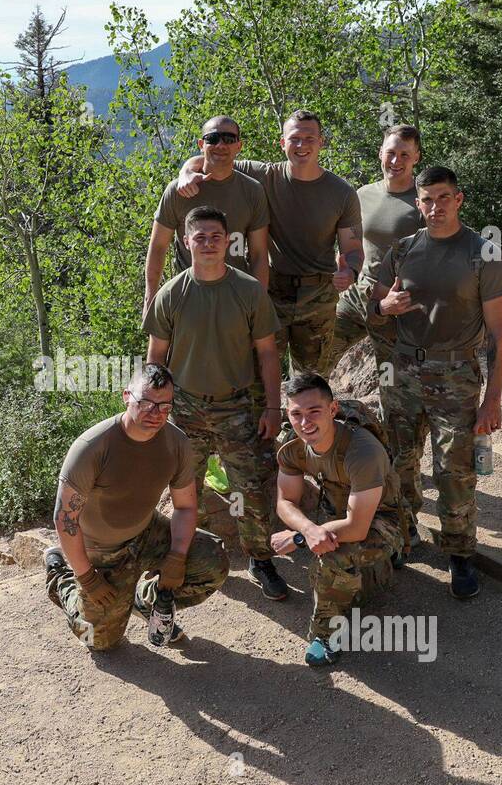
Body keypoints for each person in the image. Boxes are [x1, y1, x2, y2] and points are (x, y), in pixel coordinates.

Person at [368, 166, 502, 598]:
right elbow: (374, 303)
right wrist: (385, 307)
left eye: (444, 197)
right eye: (427, 199)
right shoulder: (404, 249)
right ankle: (404, 535)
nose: (436, 207)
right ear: (418, 203)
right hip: (403, 373)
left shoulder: (483, 254)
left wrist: (492, 401)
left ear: (459, 199)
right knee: (398, 463)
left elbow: (500, 335)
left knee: (454, 470)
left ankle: (460, 553)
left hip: (455, 375)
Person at [144, 205, 290, 600]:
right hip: (185, 408)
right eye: (200, 237)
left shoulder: (248, 291)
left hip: (237, 406)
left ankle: (261, 560)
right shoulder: (171, 294)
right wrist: (156, 409)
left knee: (253, 489)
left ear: (228, 242)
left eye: (215, 237)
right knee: (185, 488)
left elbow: (268, 355)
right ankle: (199, 555)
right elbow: (155, 357)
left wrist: (273, 409)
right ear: (186, 241)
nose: (208, 244)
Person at [45, 363, 230, 651]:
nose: (155, 414)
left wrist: (177, 557)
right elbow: (65, 518)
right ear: (126, 396)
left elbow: (184, 507)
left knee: (212, 562)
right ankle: (62, 579)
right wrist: (87, 577)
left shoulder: (176, 442)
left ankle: (143, 599)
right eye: (146, 403)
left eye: (164, 407)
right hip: (101, 551)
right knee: (99, 641)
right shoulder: (93, 447)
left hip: (146, 531)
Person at [175, 110, 363, 376]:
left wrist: (350, 271)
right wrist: (185, 172)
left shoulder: (342, 193)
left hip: (318, 297)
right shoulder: (265, 175)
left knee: (312, 380)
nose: (301, 146)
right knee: (259, 375)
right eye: (294, 139)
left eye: (309, 138)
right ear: (282, 143)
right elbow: (213, 157)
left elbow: (353, 249)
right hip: (271, 293)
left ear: (321, 142)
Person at [271, 373, 404, 665]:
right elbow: (285, 501)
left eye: (314, 412)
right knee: (323, 545)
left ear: (332, 410)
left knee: (332, 554)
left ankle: (327, 633)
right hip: (337, 506)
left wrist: (299, 538)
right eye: (296, 414)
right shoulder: (293, 445)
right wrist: (308, 529)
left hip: (381, 518)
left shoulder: (362, 450)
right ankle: (366, 576)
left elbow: (357, 528)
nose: (305, 423)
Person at [317, 124, 424, 378]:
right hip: (357, 294)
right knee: (318, 354)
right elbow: (349, 243)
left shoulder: (424, 201)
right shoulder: (361, 195)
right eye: (391, 153)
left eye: (405, 155)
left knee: (393, 382)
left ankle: (392, 417)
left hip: (397, 304)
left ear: (416, 158)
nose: (396, 161)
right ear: (380, 153)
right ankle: (309, 414)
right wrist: (341, 269)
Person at [144, 115, 270, 314]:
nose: (221, 144)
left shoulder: (253, 191)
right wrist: (150, 298)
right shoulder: (179, 191)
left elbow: (259, 255)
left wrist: (259, 305)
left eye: (229, 139)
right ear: (201, 144)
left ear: (239, 146)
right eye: (213, 138)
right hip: (188, 299)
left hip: (237, 299)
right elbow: (158, 246)